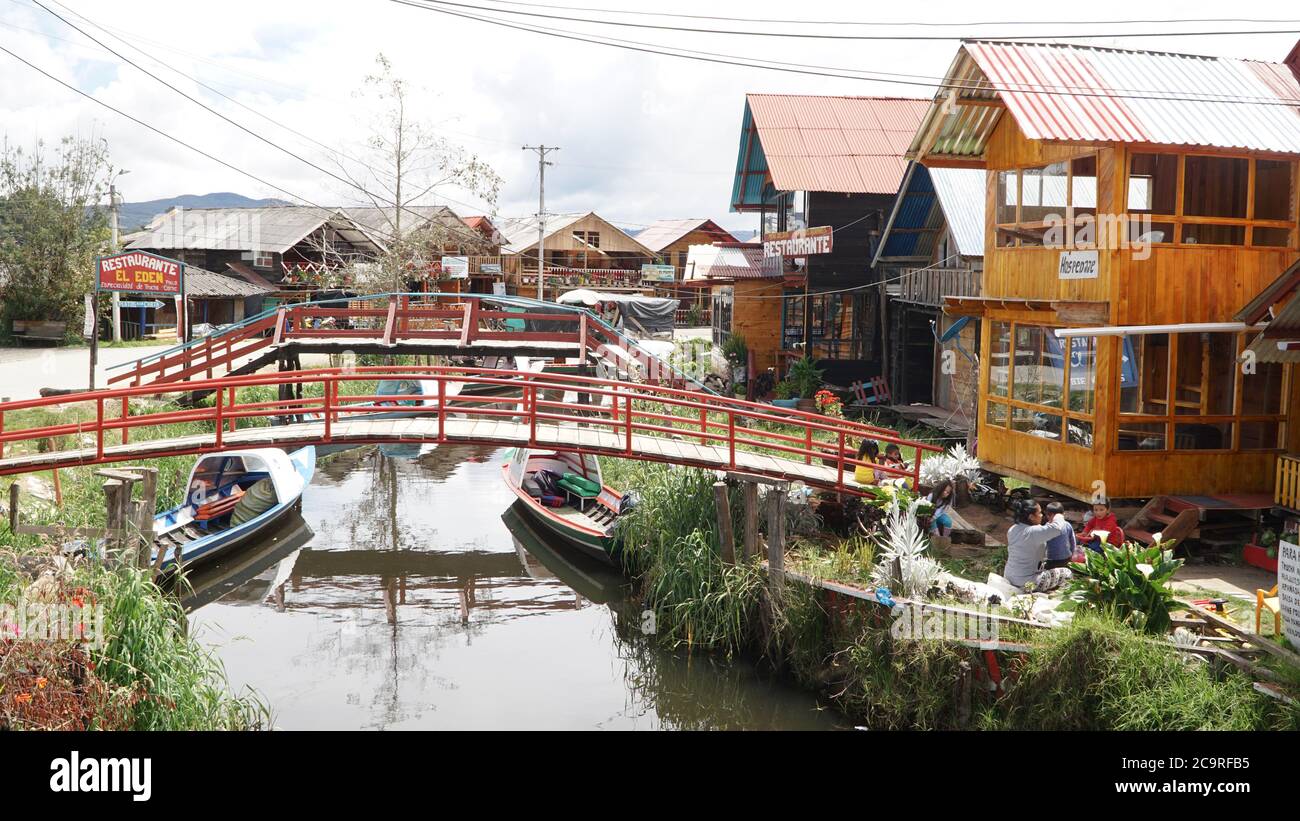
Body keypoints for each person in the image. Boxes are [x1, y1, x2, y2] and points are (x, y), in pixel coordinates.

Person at [1004, 499, 1074, 591]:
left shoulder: (1013, 529)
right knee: (1067, 572)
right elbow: (1056, 528)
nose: (1042, 515)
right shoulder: (1033, 532)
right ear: (1031, 517)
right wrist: (1059, 515)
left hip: (1009, 576)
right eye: (1040, 513)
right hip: (1027, 583)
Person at [1042, 501, 1077, 569]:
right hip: (1066, 557)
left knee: (1052, 576)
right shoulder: (1067, 525)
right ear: (1063, 514)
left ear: (1048, 515)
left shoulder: (1047, 527)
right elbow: (1072, 541)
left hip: (1051, 558)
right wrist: (1071, 552)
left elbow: (1043, 544)